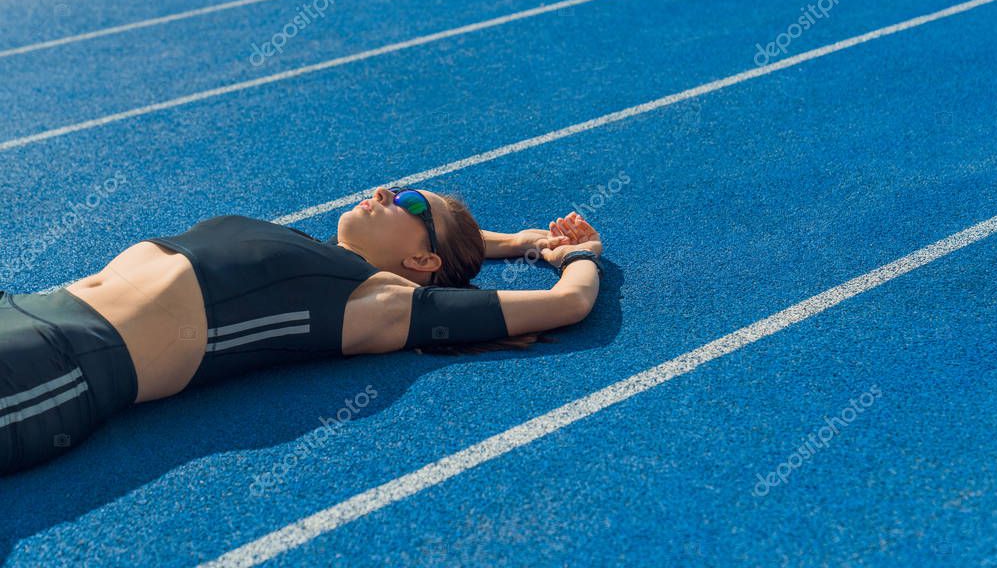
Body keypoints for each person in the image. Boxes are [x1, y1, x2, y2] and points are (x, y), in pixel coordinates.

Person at [0, 186, 603, 474]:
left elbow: (566, 305)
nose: (391, 193)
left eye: (414, 203)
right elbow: (449, 249)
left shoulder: (381, 302)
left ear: (423, 264)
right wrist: (522, 240)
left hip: (56, 364)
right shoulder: (323, 253)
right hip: (21, 309)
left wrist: (581, 258)